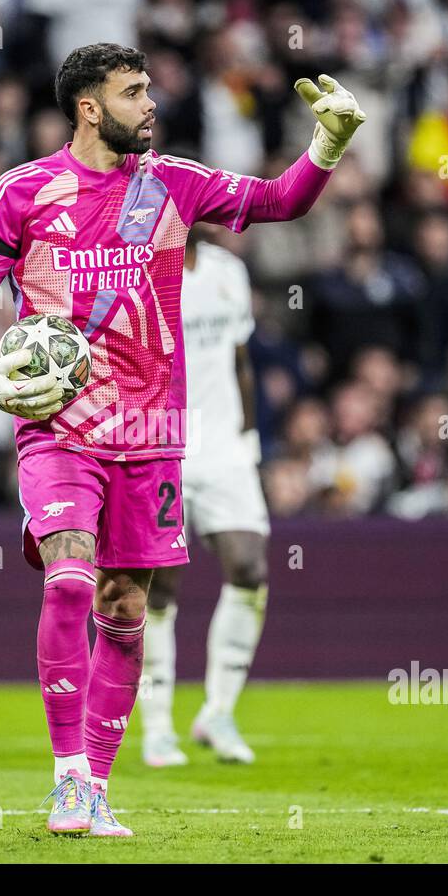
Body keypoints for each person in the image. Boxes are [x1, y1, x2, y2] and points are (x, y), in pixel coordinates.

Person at [0, 43, 364, 836]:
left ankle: (99, 787)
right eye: (135, 92)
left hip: (152, 431)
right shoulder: (24, 191)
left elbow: (280, 201)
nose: (152, 104)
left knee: (125, 602)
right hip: (60, 425)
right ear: (89, 107)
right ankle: (68, 780)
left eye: (151, 90)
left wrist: (328, 145)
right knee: (69, 580)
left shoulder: (172, 181)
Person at [139, 226, 268, 767]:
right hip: (161, 440)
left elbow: (240, 361)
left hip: (224, 449)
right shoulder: (141, 271)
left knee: (249, 567)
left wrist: (249, 436)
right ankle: (156, 725)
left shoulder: (228, 272)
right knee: (160, 584)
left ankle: (217, 711)